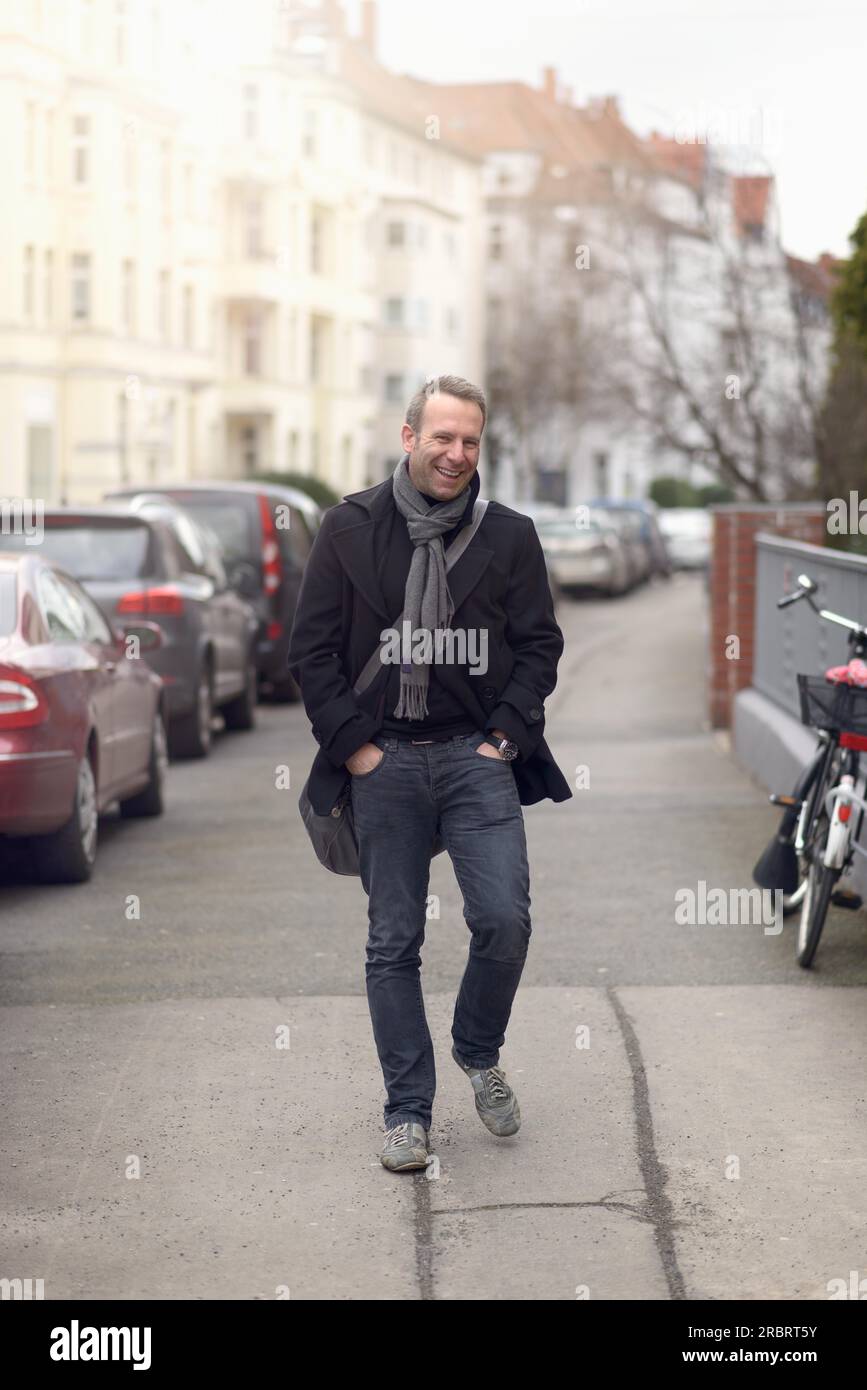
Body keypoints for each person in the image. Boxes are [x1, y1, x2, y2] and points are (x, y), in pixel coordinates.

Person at [287, 375, 572, 1172]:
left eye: (470, 441)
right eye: (442, 437)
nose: (456, 454)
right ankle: (407, 1113)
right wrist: (354, 750)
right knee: (393, 942)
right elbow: (309, 652)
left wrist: (504, 740)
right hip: (383, 762)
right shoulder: (347, 529)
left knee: (504, 921)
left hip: (474, 758)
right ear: (408, 437)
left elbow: (538, 646)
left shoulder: (507, 535)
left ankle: (477, 1051)